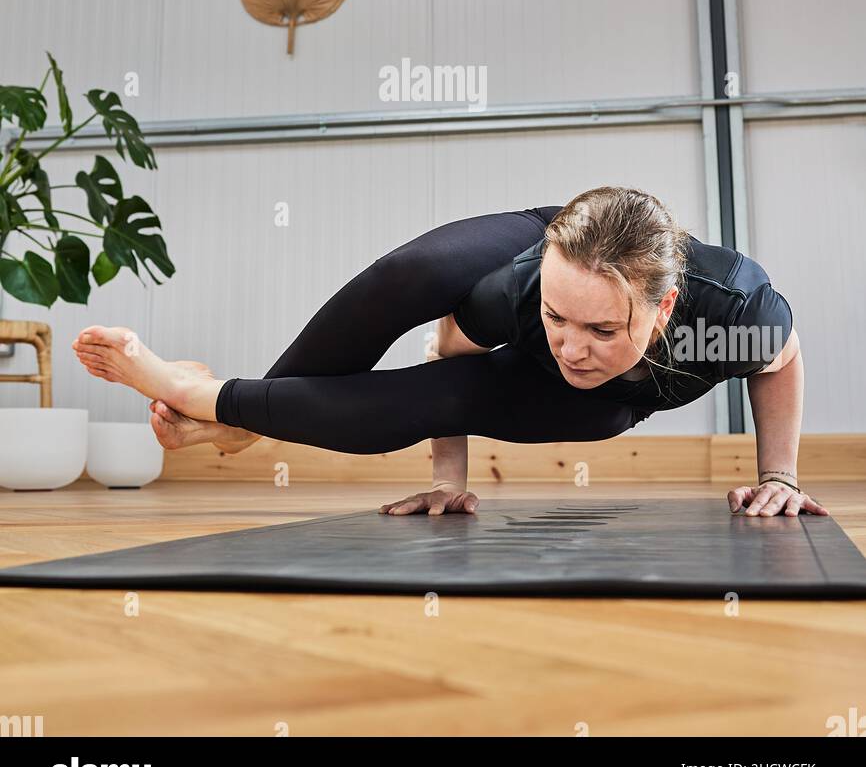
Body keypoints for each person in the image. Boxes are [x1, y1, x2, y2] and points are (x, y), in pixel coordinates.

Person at [72, 185, 828, 519]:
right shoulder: (521, 288)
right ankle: (233, 413)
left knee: (462, 395)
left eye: (604, 331)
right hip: (550, 241)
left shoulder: (736, 313)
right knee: (414, 277)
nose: (572, 346)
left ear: (664, 312)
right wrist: (450, 477)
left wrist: (779, 475)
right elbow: (447, 353)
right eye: (560, 320)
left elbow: (782, 362)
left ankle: (225, 408)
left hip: (611, 405)